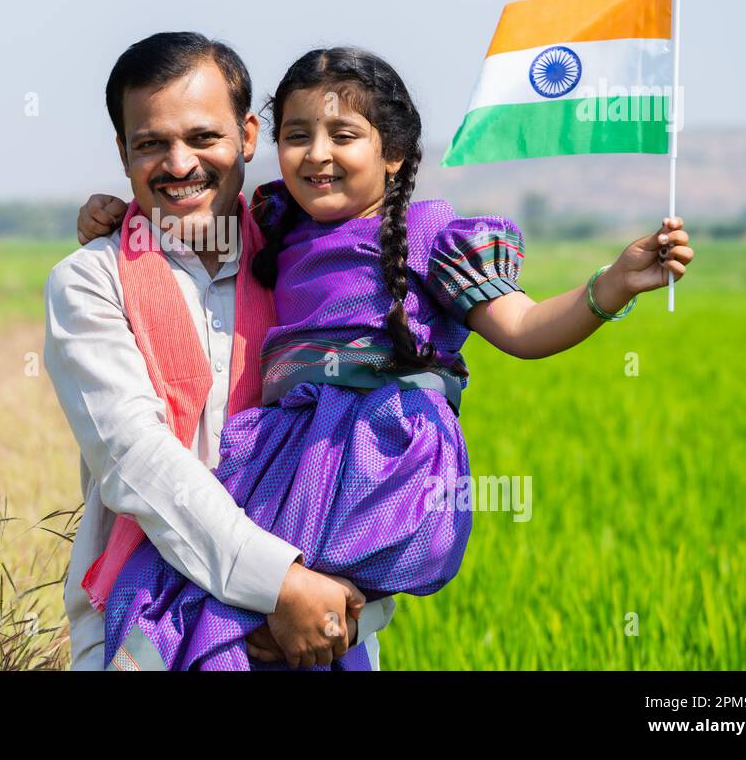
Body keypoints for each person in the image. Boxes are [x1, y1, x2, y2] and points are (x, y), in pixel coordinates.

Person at [77, 45, 694, 670]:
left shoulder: (429, 237)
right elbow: (181, 220)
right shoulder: (276, 222)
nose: (318, 154)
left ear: (393, 154)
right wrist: (114, 217)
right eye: (299, 136)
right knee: (215, 589)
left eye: (343, 134)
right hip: (291, 450)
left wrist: (610, 286)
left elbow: (525, 328)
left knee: (234, 602)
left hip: (377, 453)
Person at [43, 32, 398, 672]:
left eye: (203, 138)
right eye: (152, 143)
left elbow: (377, 442)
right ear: (123, 153)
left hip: (319, 630)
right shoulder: (92, 281)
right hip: (145, 635)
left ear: (249, 135)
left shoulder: (308, 265)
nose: (180, 165)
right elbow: (136, 461)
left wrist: (350, 604)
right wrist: (281, 583)